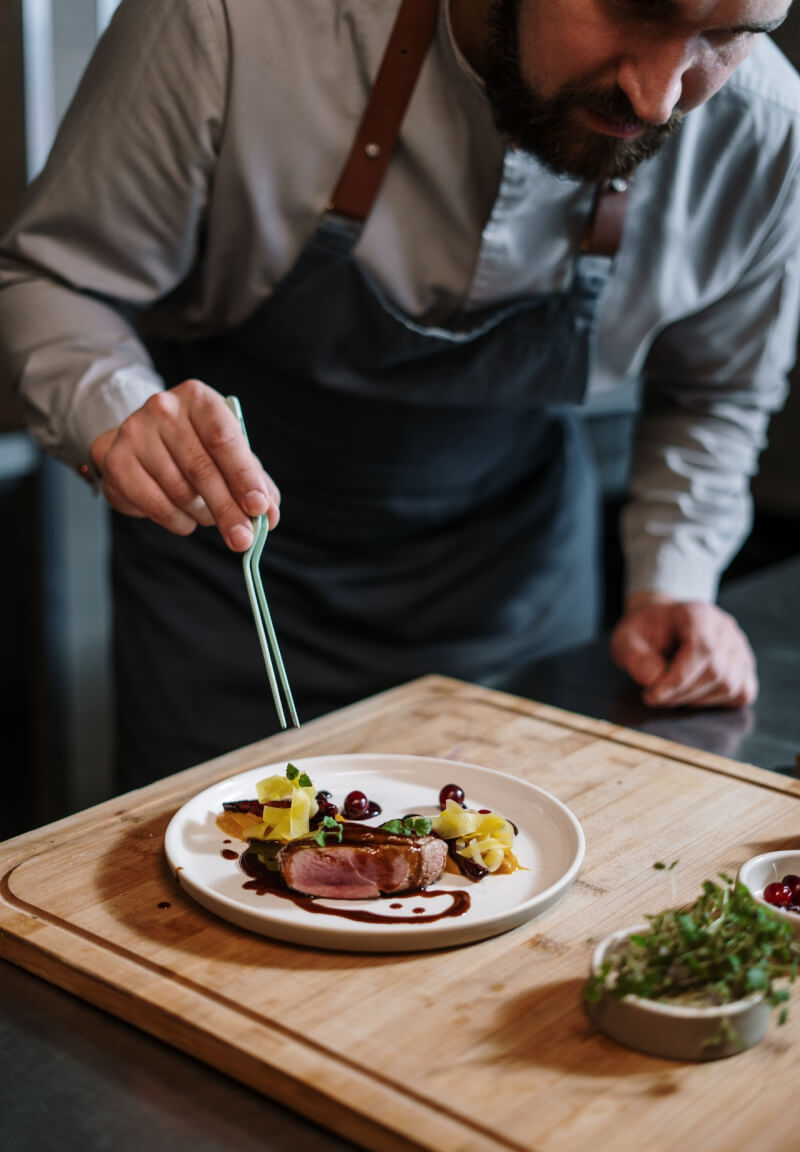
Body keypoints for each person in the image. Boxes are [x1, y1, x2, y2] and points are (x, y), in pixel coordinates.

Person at [1, 0, 798, 787]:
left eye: (727, 35)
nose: (659, 95)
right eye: (635, 8)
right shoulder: (227, 21)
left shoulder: (765, 129)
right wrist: (117, 407)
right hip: (231, 606)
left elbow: (715, 393)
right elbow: (56, 276)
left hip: (516, 605)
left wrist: (675, 580)